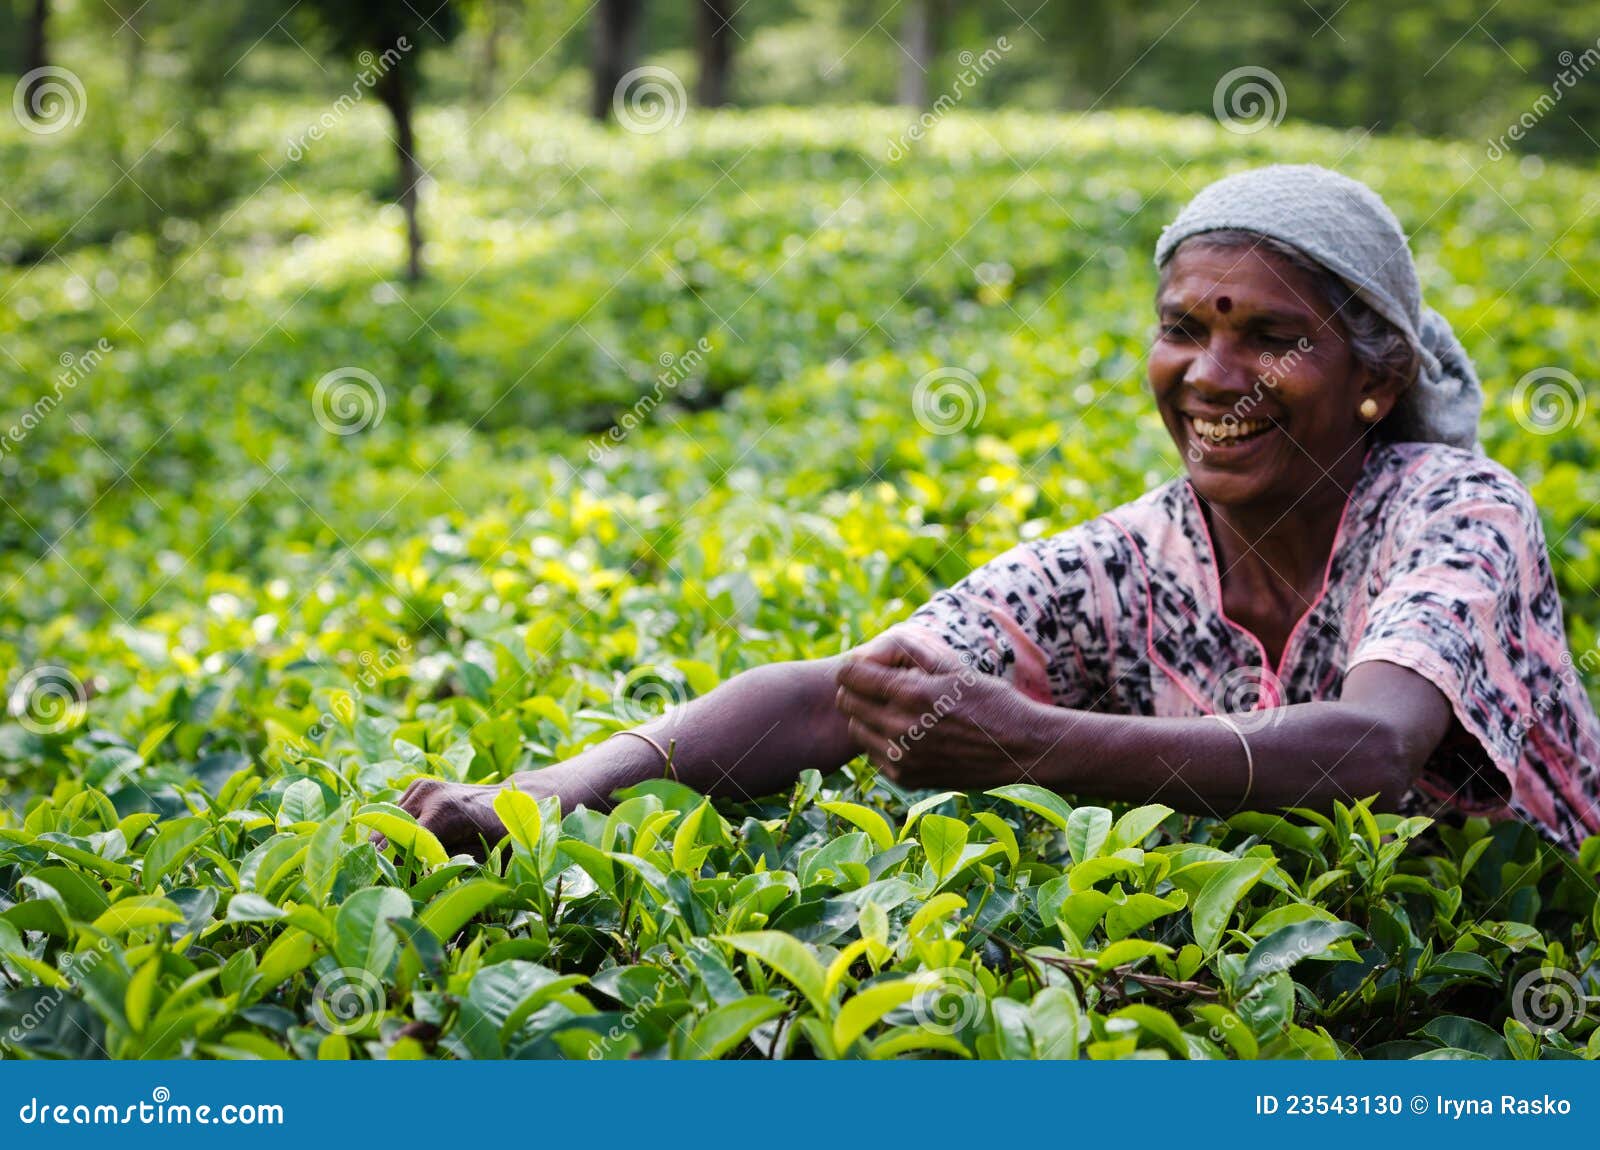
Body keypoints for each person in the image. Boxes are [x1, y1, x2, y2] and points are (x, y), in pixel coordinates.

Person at [399, 164, 1600, 856]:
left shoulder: (1455, 510)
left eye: (1273, 339)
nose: (1211, 377)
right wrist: (543, 797)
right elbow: (843, 694)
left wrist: (1033, 744)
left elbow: (1367, 748)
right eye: (1184, 329)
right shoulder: (1137, 555)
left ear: (1375, 375)